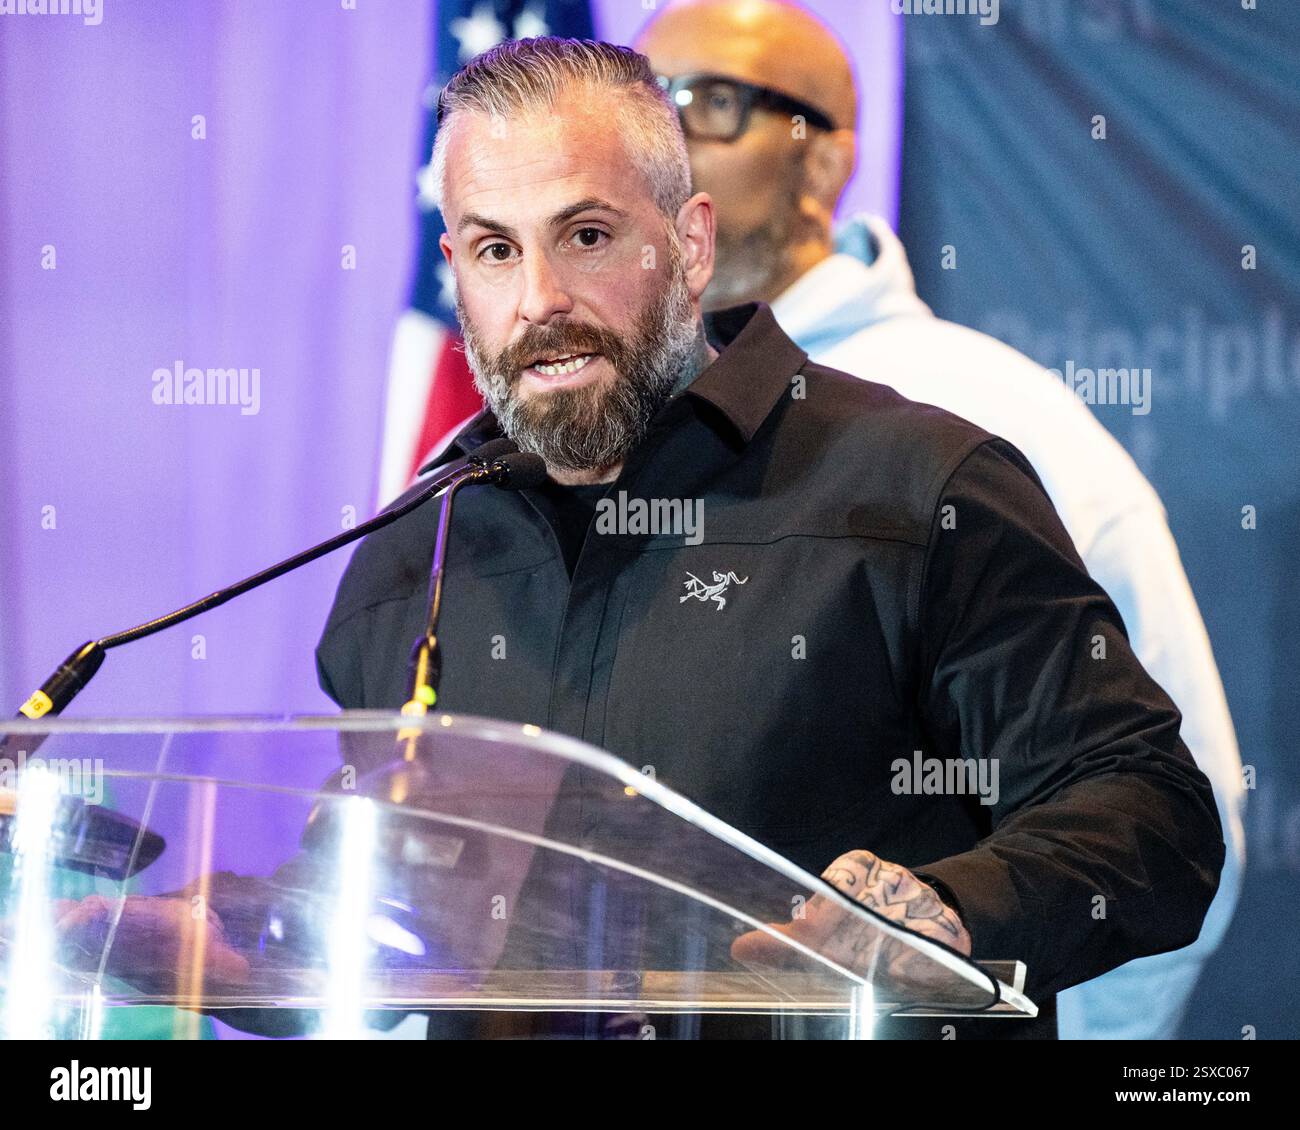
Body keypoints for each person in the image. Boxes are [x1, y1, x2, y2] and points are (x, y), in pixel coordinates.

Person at [316, 36, 1224, 1039]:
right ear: (454, 269)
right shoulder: (417, 554)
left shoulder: (918, 487)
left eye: (585, 236)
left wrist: (947, 912)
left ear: (690, 245)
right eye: (495, 249)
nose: (538, 300)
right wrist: (228, 934)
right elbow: (373, 895)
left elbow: (1154, 813)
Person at [637, 0, 1244, 1041]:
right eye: (642, 108)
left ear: (822, 162)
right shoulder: (577, 438)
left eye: (706, 102)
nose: (663, 145)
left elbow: (1162, 821)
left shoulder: (984, 419)